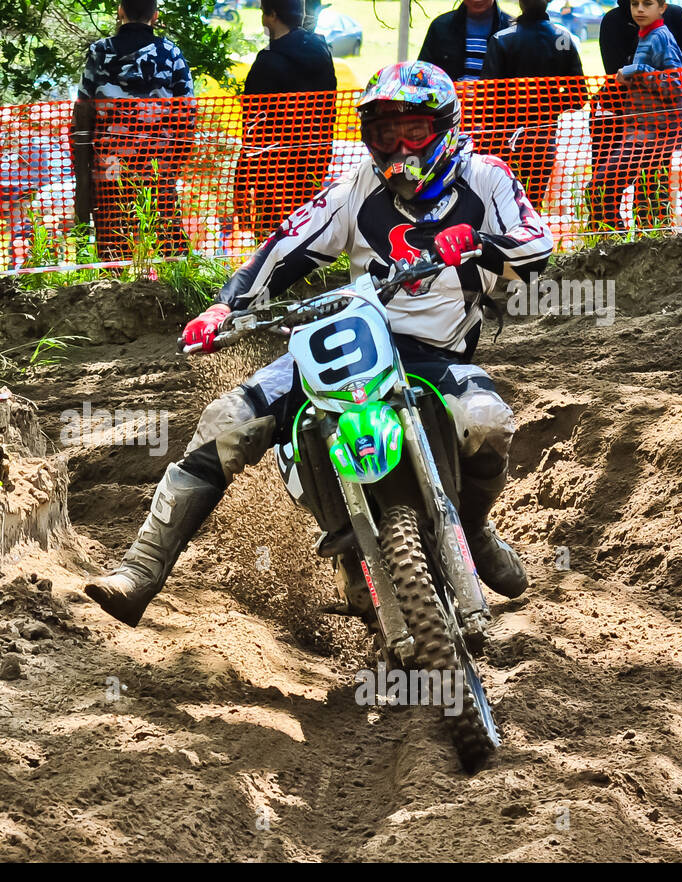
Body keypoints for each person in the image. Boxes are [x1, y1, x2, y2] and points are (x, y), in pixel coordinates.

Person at [86, 61, 555, 628]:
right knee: (226, 419)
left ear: (446, 127)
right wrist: (224, 306)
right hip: (357, 341)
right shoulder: (357, 186)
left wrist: (479, 241)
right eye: (385, 132)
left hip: (438, 354)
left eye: (413, 130)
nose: (399, 145)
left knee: (488, 422)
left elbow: (536, 246)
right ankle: (140, 571)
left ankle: (474, 529)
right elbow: (286, 247)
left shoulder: (487, 179)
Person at [71, 0, 194, 261]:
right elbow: (187, 116)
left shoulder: (100, 52)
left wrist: (84, 174)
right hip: (158, 172)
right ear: (155, 16)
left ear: (120, 11)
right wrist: (174, 167)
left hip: (110, 173)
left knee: (113, 258)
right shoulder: (171, 54)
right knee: (170, 254)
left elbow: (82, 114)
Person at [235, 0, 338, 238]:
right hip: (314, 159)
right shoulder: (323, 54)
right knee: (304, 234)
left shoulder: (266, 64)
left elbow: (252, 127)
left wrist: (242, 178)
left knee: (269, 240)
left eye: (263, 12)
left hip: (272, 171)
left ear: (272, 15)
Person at [594, 0, 682, 228]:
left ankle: (627, 243)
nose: (639, 9)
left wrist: (638, 70)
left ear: (662, 8)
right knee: (631, 193)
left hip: (653, 135)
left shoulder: (660, 37)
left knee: (602, 188)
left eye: (647, 4)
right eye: (635, 4)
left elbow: (676, 85)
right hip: (640, 131)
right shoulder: (643, 34)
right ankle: (625, 244)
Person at [480, 0, 587, 210]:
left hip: (504, 139)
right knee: (532, 206)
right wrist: (552, 107)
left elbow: (487, 97)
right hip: (543, 136)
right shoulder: (562, 38)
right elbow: (579, 96)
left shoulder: (502, 39)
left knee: (500, 203)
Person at [418, 0, 515, 81]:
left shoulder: (512, 31)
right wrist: (451, 90)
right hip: (451, 102)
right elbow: (421, 75)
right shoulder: (440, 27)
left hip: (496, 102)